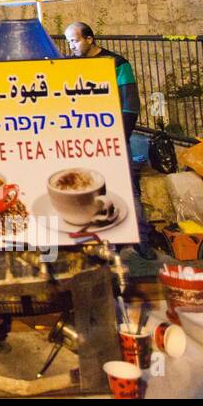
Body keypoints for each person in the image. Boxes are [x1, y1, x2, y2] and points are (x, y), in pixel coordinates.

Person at [64, 22, 153, 259]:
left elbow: (130, 105)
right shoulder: (70, 65)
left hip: (112, 138)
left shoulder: (117, 64)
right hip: (86, 139)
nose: (71, 46)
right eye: (69, 41)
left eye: (75, 40)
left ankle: (141, 240)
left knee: (127, 189)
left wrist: (118, 138)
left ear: (90, 39)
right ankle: (104, 241)